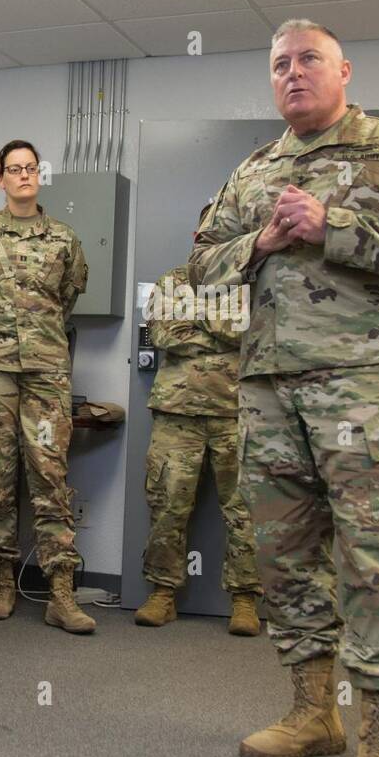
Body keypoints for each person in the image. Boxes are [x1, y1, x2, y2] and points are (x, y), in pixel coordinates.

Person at [191, 19, 379, 757]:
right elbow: (202, 261)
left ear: (344, 68)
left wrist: (333, 228)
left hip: (360, 381)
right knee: (279, 552)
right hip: (269, 384)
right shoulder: (255, 169)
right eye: (280, 65)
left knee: (371, 552)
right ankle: (315, 709)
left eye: (309, 59)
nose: (293, 74)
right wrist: (264, 240)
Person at [0, 140, 93, 634]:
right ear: (0, 177)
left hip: (46, 371)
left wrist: (36, 336)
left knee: (50, 478)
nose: (24, 175)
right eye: (14, 169)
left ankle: (61, 593)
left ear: (38, 176)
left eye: (30, 168)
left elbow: (65, 300)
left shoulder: (65, 239)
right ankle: (2, 582)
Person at [136, 206, 263, 634]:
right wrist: (223, 322)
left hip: (238, 412)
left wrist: (195, 315)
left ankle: (245, 600)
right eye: (208, 231)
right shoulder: (171, 280)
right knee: (168, 505)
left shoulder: (254, 282)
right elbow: (164, 333)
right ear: (197, 234)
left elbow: (251, 331)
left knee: (243, 510)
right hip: (177, 411)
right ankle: (163, 593)